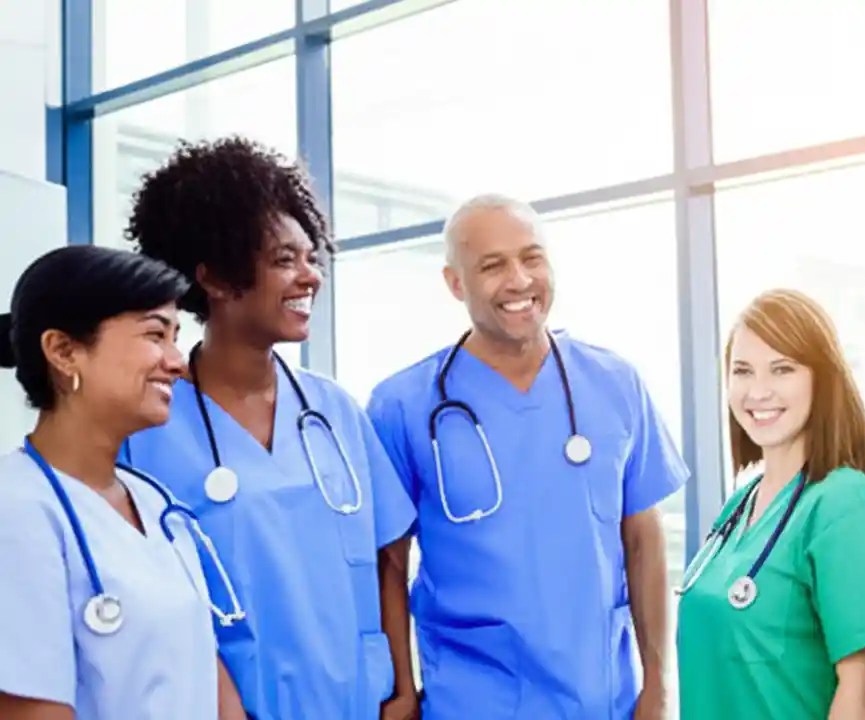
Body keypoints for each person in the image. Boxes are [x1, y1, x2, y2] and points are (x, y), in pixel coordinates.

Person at [119, 136, 420, 720]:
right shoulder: (146, 426)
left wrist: (402, 688)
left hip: (359, 702)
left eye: (312, 257)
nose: (310, 276)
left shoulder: (335, 412)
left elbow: (389, 557)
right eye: (285, 260)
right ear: (216, 278)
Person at [366, 193, 688, 719]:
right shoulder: (403, 405)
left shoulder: (614, 383)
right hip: (473, 700)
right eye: (492, 265)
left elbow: (643, 541)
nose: (518, 280)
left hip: (600, 698)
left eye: (531, 257)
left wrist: (658, 686)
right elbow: (389, 564)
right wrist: (401, 692)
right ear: (454, 283)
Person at [0, 246, 247, 720]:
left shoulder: (156, 504)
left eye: (177, 336)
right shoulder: (17, 509)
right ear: (64, 351)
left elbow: (202, 670)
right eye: (156, 334)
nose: (177, 361)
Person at [677, 288, 865, 720]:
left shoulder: (844, 505)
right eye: (742, 371)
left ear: (822, 379)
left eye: (782, 369)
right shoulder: (739, 507)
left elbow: (864, 686)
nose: (758, 391)